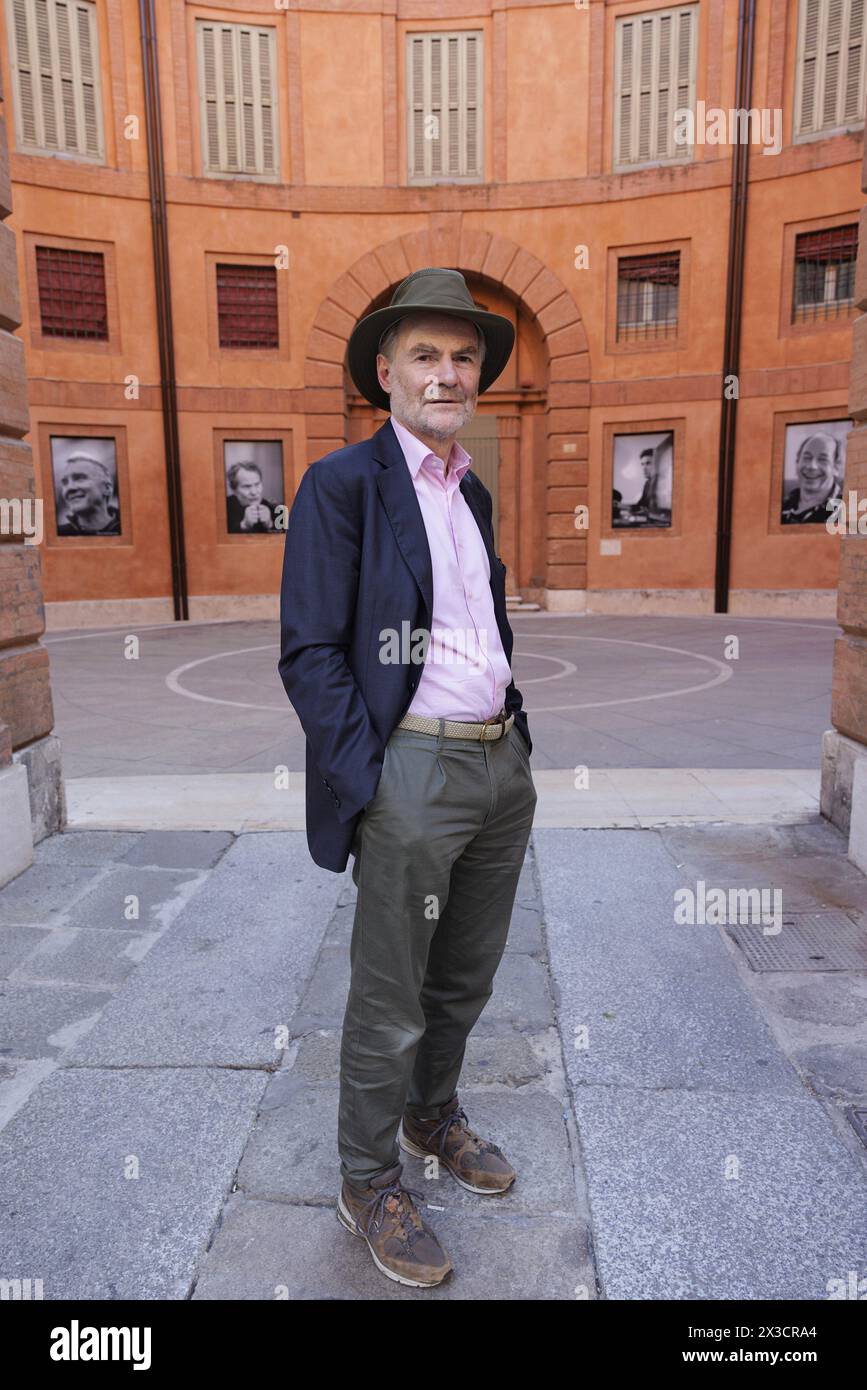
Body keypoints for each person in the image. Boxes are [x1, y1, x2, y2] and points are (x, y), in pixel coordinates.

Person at [277, 267, 537, 1287]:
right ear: (385, 372)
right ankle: (367, 1178)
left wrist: (515, 744)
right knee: (391, 997)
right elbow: (310, 651)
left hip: (498, 762)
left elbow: (478, 625)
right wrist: (374, 779)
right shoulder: (342, 485)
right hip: (412, 767)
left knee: (465, 978)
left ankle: (434, 1117)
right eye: (425, 354)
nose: (447, 371)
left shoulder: (469, 488)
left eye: (463, 355)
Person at [781, 431, 845, 524]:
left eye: (823, 459)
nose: (812, 466)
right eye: (807, 457)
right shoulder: (780, 505)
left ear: (836, 468)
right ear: (797, 462)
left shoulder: (848, 511)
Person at [55, 449, 120, 535]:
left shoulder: (131, 529)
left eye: (79, 478)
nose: (69, 488)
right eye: (65, 483)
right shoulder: (59, 533)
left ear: (106, 488)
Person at [225, 461, 279, 532]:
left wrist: (270, 525)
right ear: (233, 489)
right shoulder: (223, 510)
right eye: (247, 486)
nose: (254, 492)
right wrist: (243, 526)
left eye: (257, 484)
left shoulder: (275, 509)